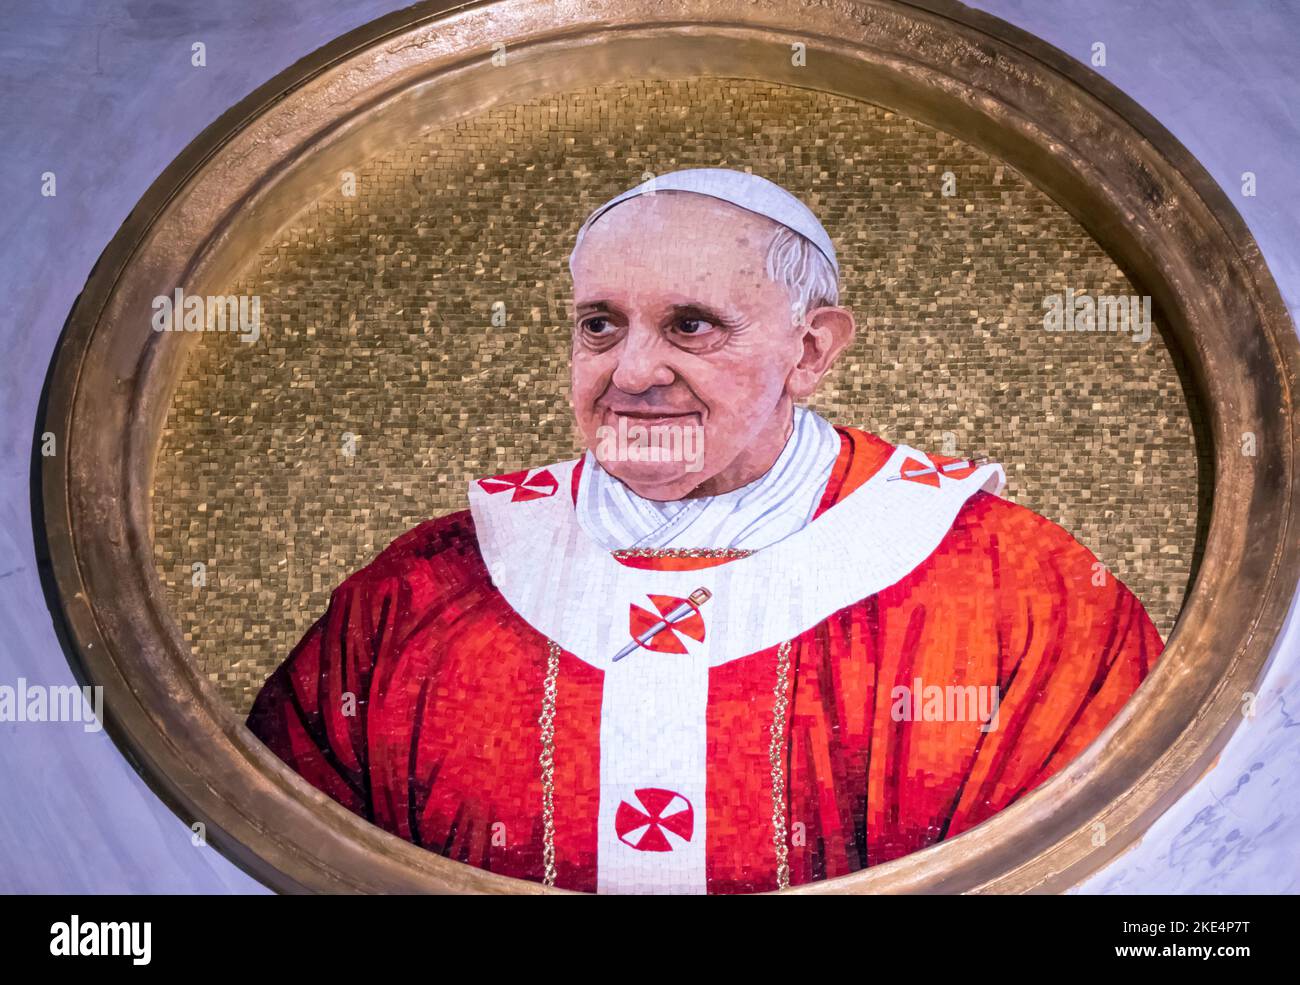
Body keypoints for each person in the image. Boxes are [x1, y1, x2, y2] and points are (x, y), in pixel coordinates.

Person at [247, 168, 1163, 894]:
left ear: (811, 351)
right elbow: (265, 857)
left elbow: (1142, 876)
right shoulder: (424, 589)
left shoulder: (1013, 590)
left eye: (692, 326)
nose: (635, 371)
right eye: (600, 326)